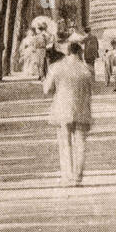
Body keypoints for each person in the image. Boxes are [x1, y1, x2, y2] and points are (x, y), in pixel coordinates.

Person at [43, 39, 94, 187]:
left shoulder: (56, 67)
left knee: (65, 144)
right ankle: (78, 177)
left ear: (67, 52)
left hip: (63, 109)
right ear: (79, 52)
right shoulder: (87, 69)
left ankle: (67, 176)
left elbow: (47, 90)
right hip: (83, 108)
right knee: (81, 143)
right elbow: (91, 89)